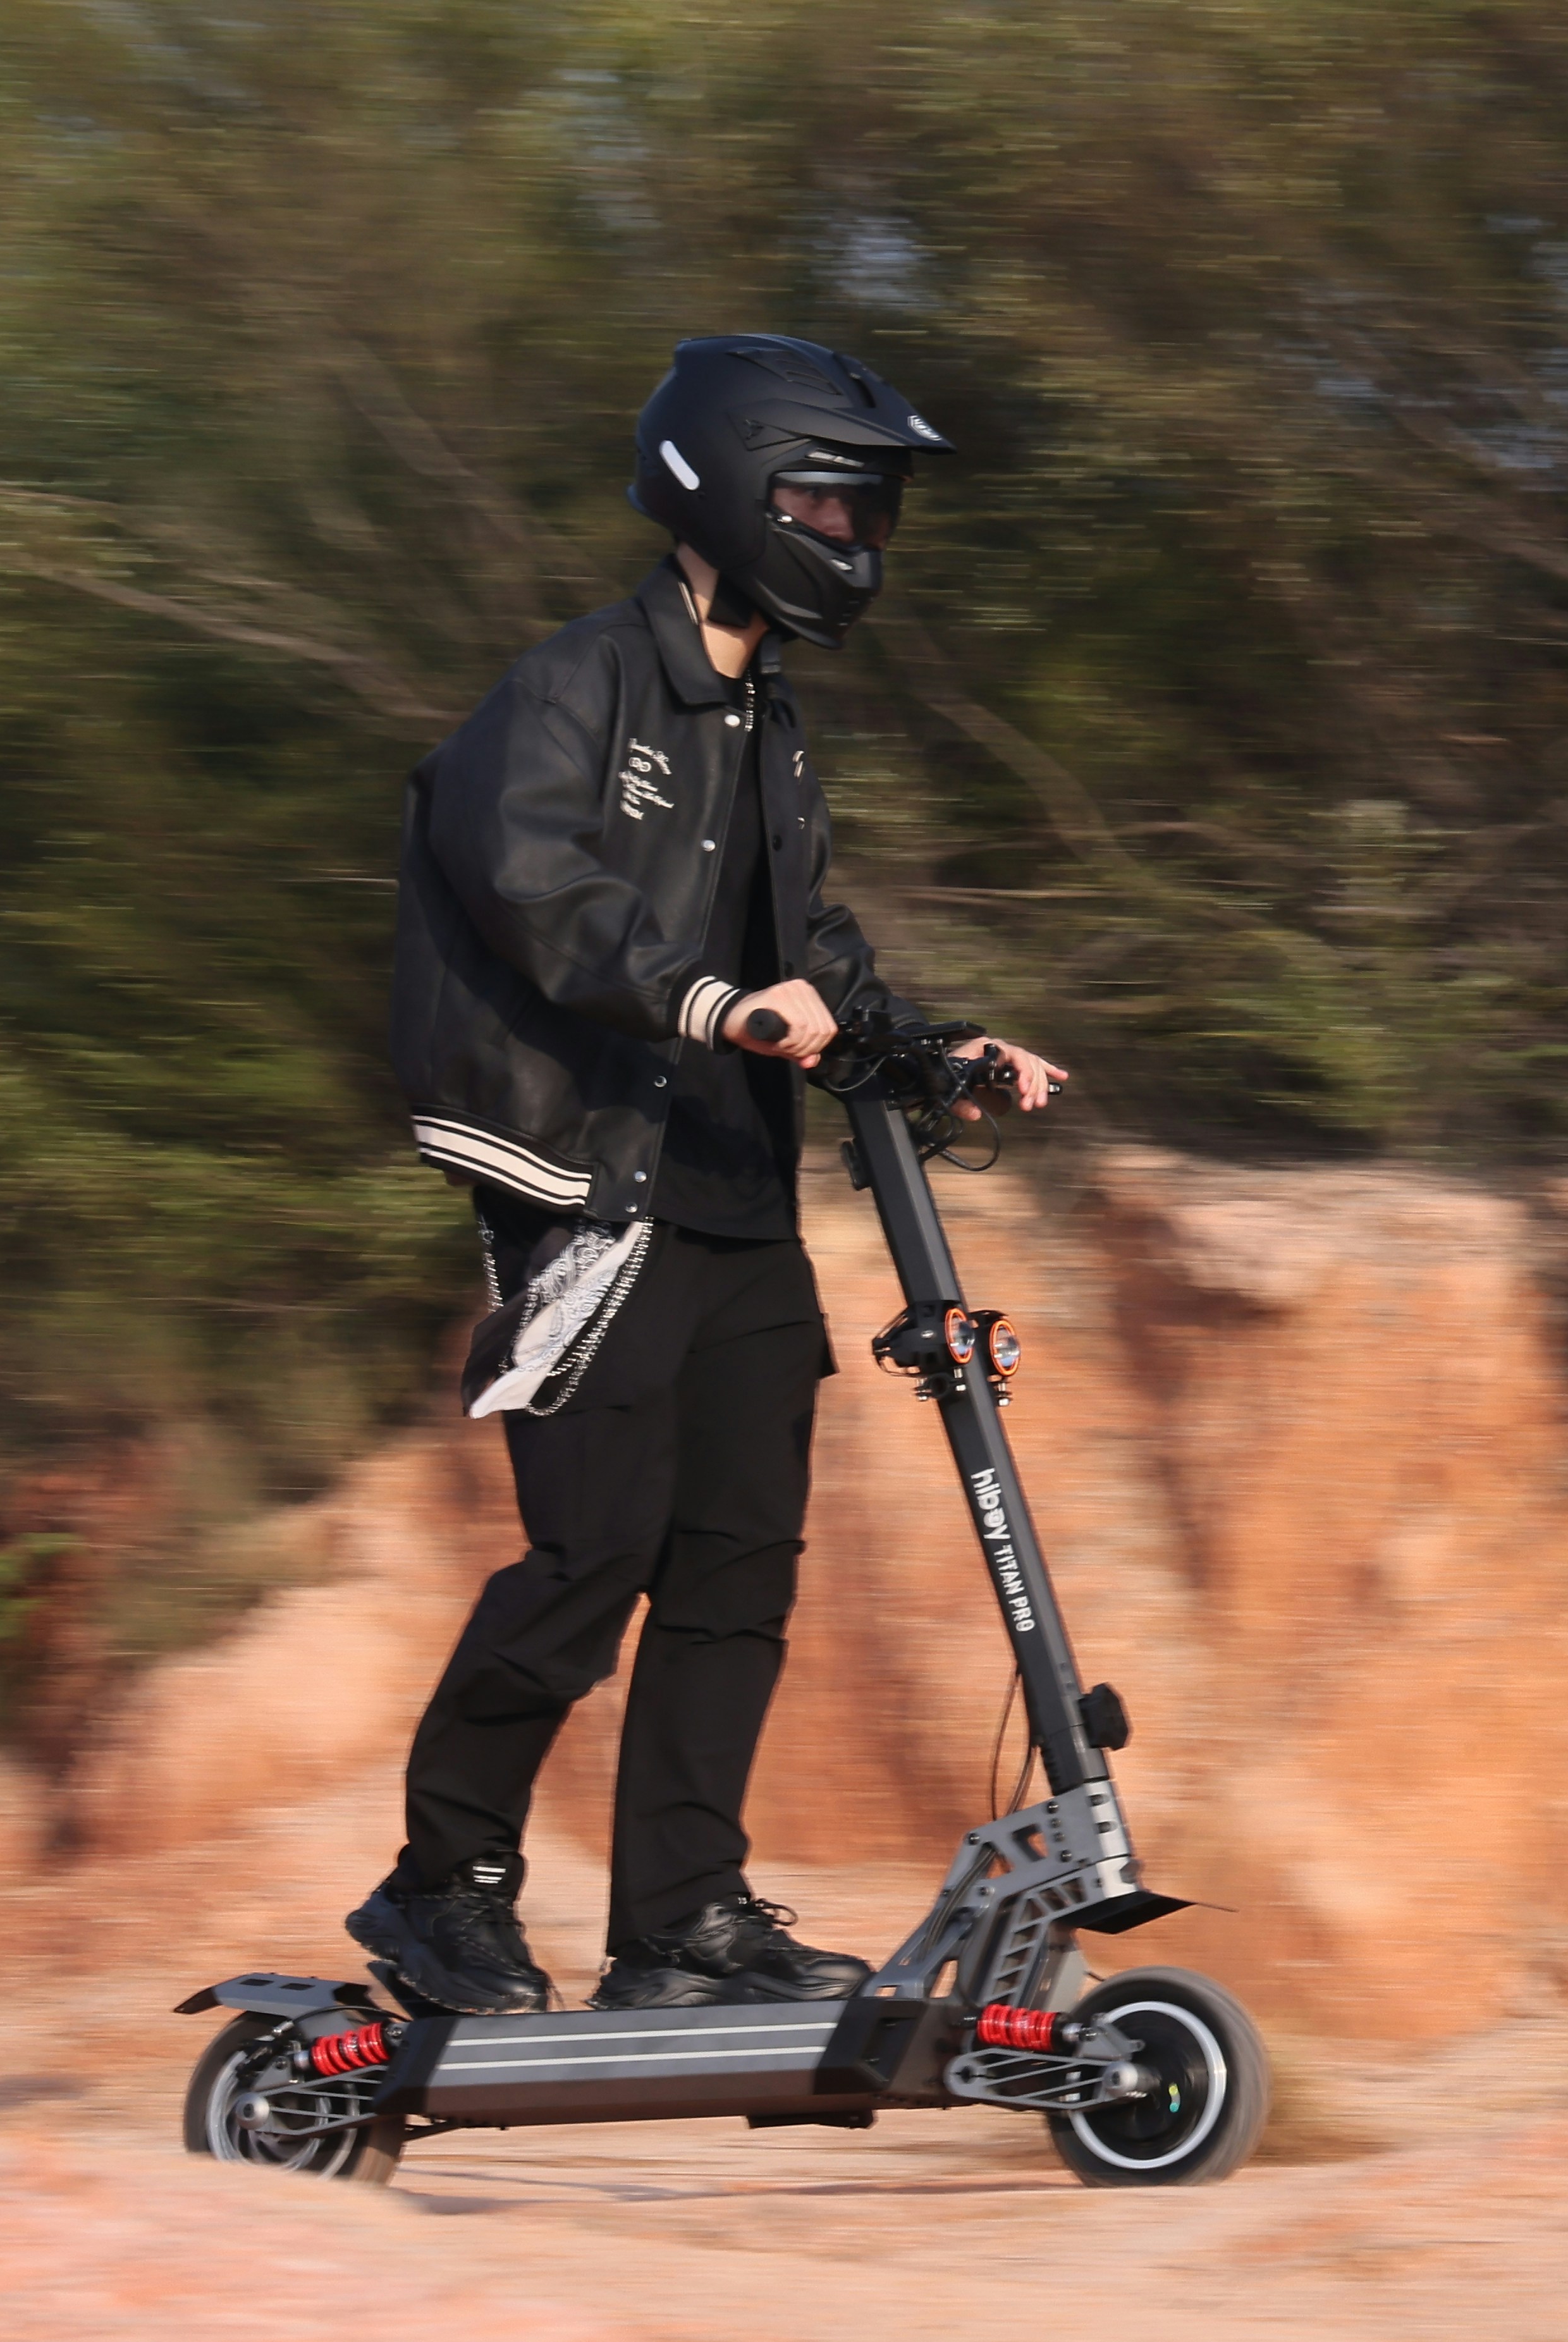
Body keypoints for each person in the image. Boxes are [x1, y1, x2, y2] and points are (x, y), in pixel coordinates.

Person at [357, 334, 1062, 2014]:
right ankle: (437, 1888)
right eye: (831, 499)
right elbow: (533, 880)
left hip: (733, 1187)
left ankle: (680, 1917)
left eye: (868, 510)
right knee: (592, 1557)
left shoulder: (768, 721)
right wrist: (713, 1002)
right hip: (587, 1179)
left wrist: (938, 1046)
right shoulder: (579, 686)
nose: (857, 535)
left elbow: (803, 946)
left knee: (740, 1563)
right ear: (735, 492)